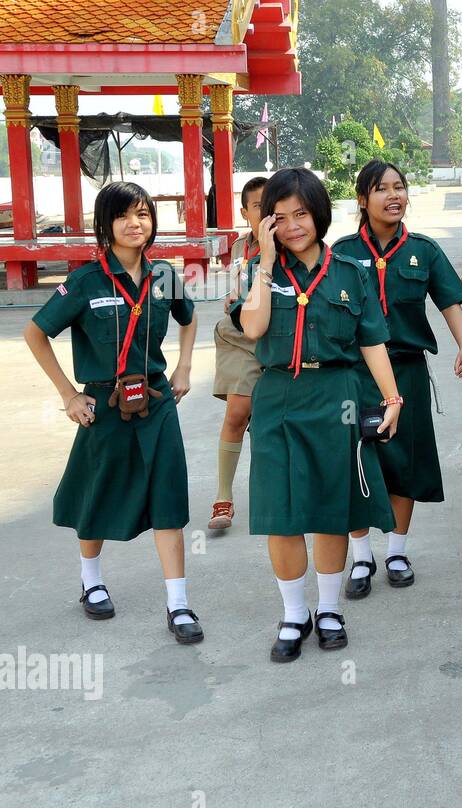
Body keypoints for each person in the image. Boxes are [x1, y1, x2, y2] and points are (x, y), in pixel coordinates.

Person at [230, 167, 401, 663]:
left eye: (300, 213)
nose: (291, 225)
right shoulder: (259, 272)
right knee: (281, 514)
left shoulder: (351, 271)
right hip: (279, 395)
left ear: (317, 213)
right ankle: (293, 613)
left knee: (331, 508)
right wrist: (264, 262)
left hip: (337, 395)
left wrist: (392, 399)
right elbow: (254, 326)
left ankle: (328, 609)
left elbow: (372, 341)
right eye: (278, 217)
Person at [24, 181, 202, 643]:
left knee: (168, 496)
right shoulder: (85, 280)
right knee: (97, 492)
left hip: (158, 402)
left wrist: (184, 366)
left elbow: (189, 317)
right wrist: (68, 395)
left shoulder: (163, 275)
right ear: (105, 224)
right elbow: (35, 333)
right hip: (103, 405)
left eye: (143, 213)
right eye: (124, 215)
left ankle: (179, 603)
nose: (135, 223)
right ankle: (91, 580)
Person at [334, 160, 462, 597]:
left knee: (405, 459)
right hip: (356, 375)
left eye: (399, 187)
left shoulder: (423, 249)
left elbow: (450, 300)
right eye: (382, 189)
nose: (394, 196)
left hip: (407, 370)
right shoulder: (341, 252)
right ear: (363, 200)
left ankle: (396, 550)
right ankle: (361, 559)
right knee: (355, 461)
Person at [209, 175, 268, 530]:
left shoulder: (290, 243)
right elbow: (236, 287)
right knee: (238, 412)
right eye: (259, 205)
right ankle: (223, 497)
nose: (268, 211)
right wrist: (233, 298)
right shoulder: (237, 248)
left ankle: (269, 491)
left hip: (278, 337)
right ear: (244, 211)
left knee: (270, 419)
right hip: (239, 337)